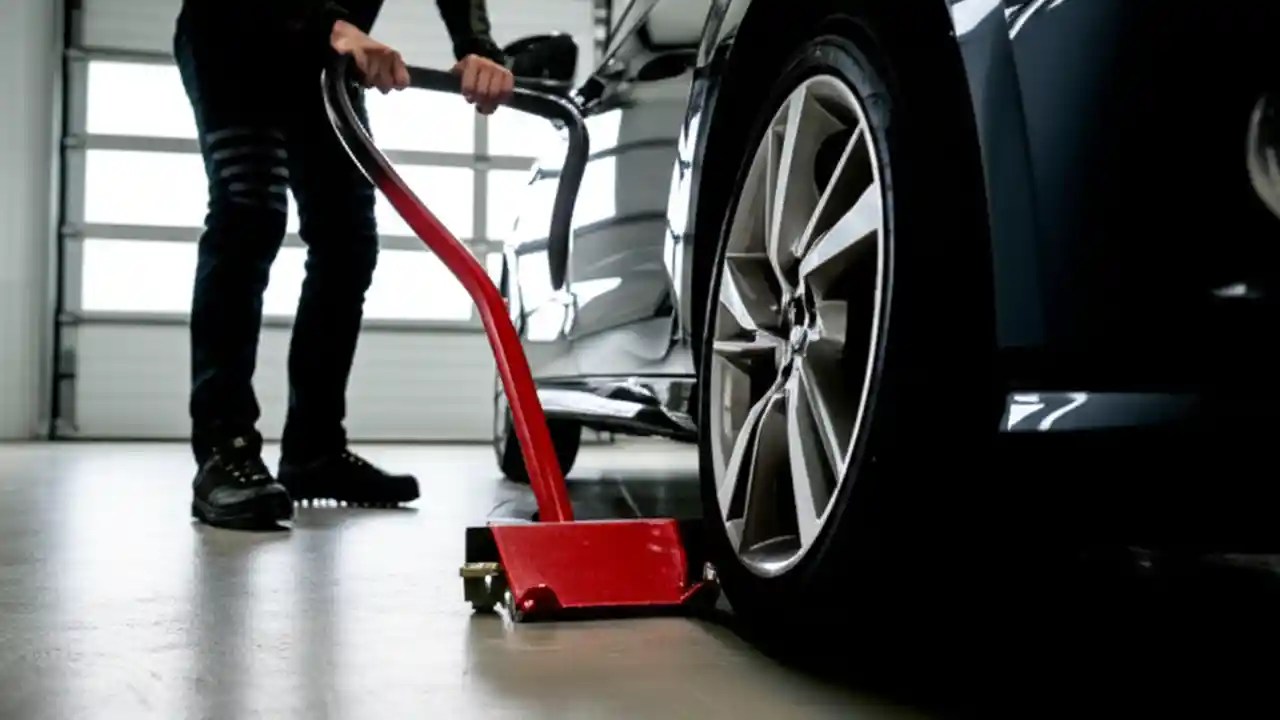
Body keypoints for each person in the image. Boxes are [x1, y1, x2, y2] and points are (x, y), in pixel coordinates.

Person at [174, 0, 515, 530]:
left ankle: (315, 451)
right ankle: (224, 450)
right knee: (249, 213)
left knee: (348, 241)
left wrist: (476, 47)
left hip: (324, 57)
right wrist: (332, 24)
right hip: (234, 35)